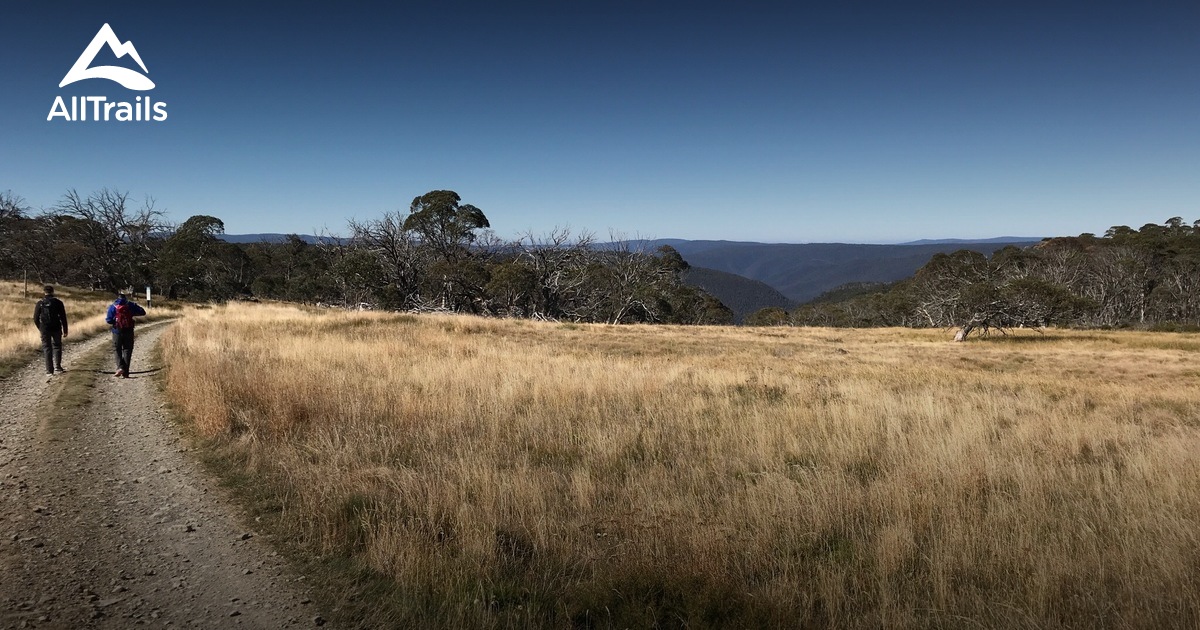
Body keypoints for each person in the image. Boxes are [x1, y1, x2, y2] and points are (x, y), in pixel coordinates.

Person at [105, 292, 147, 378]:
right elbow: (143, 312)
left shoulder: (113, 306)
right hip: (129, 330)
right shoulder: (130, 305)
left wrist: (115, 321)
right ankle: (126, 372)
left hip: (117, 331)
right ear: (126, 298)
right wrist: (132, 313)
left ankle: (120, 367)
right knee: (127, 349)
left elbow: (108, 320)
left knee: (117, 349)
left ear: (117, 298)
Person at [33, 285, 69, 375]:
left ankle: (49, 370)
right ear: (53, 292)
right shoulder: (58, 302)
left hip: (45, 328)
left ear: (44, 292)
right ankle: (58, 367)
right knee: (57, 346)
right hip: (56, 327)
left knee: (47, 348)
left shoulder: (40, 303)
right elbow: (63, 317)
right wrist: (65, 329)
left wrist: (40, 328)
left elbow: (35, 318)